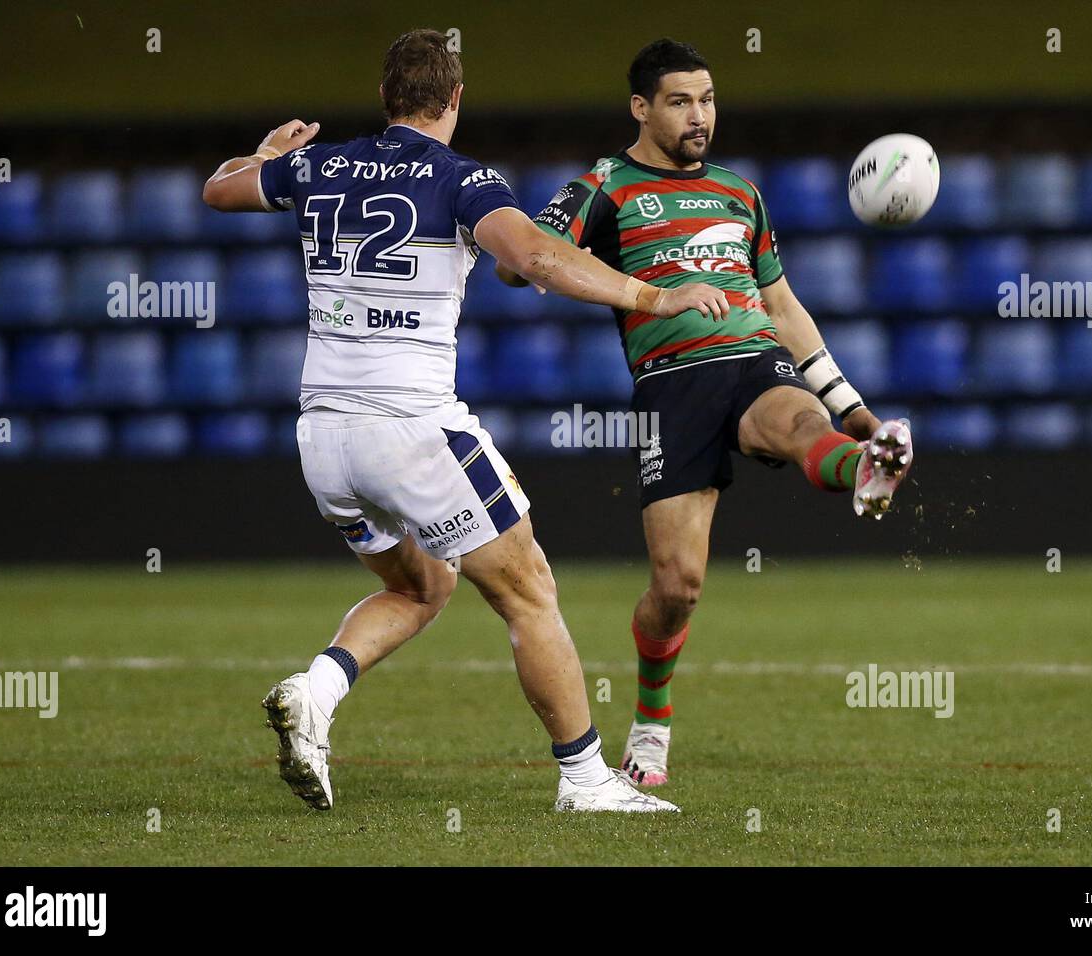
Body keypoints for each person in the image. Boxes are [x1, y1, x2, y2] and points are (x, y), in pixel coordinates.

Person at [202, 29, 731, 813]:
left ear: (386, 100)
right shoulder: (462, 179)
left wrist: (260, 153)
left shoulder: (316, 165)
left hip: (322, 440)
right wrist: (657, 295)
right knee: (530, 591)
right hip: (413, 430)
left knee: (424, 587)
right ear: (454, 100)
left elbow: (219, 191)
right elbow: (539, 257)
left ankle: (313, 693)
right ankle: (587, 781)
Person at [500, 38, 913, 787]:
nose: (700, 116)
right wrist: (634, 284)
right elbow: (516, 262)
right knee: (677, 585)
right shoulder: (604, 186)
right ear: (642, 107)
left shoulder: (738, 191)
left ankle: (866, 463)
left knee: (797, 424)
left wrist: (849, 403)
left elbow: (781, 306)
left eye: (709, 99)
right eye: (682, 101)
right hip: (670, 384)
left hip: (752, 356)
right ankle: (652, 729)